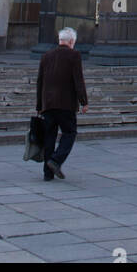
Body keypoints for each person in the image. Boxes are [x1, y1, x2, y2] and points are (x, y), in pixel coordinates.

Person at [36, 26, 89, 180]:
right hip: (66, 104)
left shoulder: (46, 55)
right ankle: (56, 160)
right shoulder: (74, 55)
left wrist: (39, 106)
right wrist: (83, 101)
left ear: (60, 40)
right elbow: (78, 80)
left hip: (48, 104)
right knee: (70, 133)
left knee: (49, 137)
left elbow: (40, 82)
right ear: (71, 41)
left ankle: (47, 174)